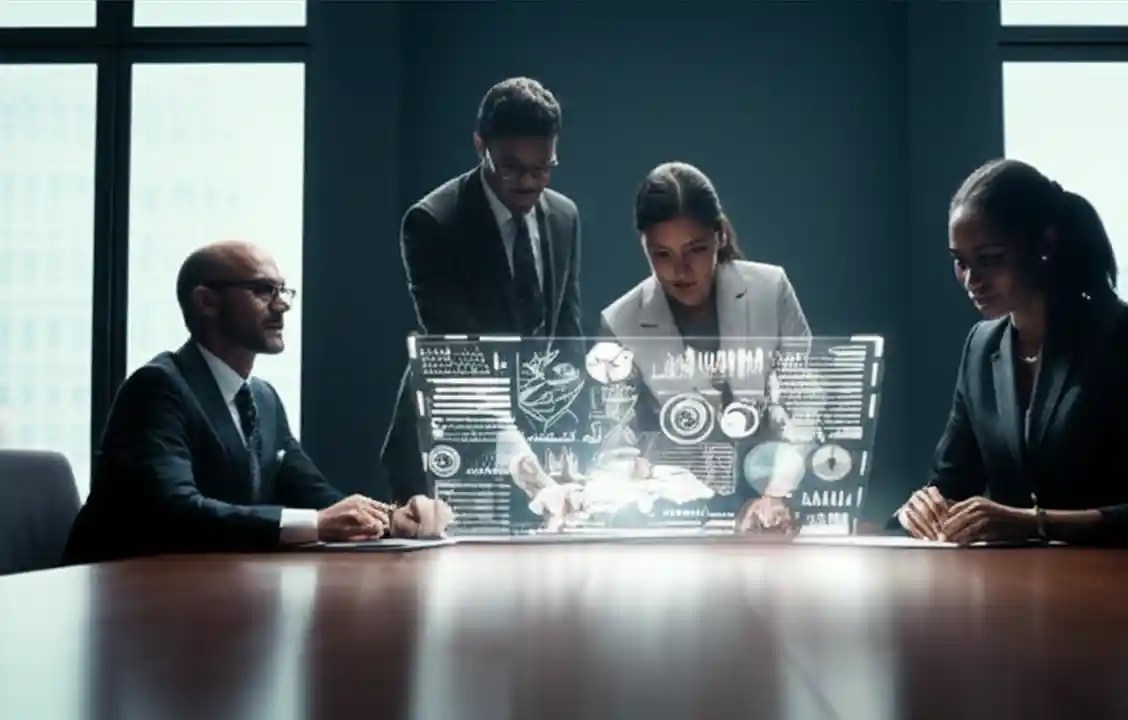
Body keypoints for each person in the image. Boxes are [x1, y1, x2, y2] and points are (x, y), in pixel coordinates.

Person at [63, 241, 453, 565]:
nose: (282, 305)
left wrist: (389, 519)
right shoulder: (157, 389)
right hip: (122, 597)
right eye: (263, 290)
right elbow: (174, 511)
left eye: (283, 290)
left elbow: (318, 497)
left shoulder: (263, 398)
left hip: (208, 593)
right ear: (207, 302)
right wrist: (318, 523)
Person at [896, 159, 1128, 549]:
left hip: (1124, 581)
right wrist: (923, 508)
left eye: (990, 258)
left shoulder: (1122, 335)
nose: (971, 280)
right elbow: (951, 483)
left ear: (1045, 244)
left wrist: (1032, 523)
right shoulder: (981, 346)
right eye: (960, 262)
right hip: (1020, 587)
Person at [381, 76, 584, 504]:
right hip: (451, 438)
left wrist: (575, 439)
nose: (528, 182)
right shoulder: (434, 222)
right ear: (480, 146)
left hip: (538, 440)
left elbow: (566, 332)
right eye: (510, 166)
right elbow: (458, 354)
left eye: (542, 167)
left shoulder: (564, 216)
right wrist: (527, 466)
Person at [594, 161, 813, 532]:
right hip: (672, 512)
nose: (680, 270)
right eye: (661, 254)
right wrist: (623, 480)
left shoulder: (770, 288)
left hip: (771, 500)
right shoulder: (620, 321)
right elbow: (615, 436)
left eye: (695, 250)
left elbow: (804, 398)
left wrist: (778, 491)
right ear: (643, 246)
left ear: (720, 235)